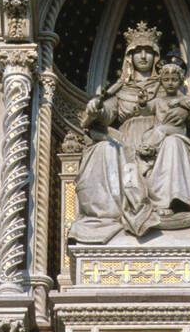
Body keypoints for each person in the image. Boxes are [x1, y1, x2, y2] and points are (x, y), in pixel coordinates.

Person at [69, 23, 163, 243]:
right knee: (103, 149)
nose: (143, 56)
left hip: (158, 139)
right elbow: (107, 113)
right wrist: (97, 109)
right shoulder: (121, 90)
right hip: (126, 141)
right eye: (137, 51)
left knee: (175, 144)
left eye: (148, 51)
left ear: (156, 56)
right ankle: (106, 215)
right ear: (129, 57)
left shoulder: (166, 86)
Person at [139, 57, 190, 232]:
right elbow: (145, 109)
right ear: (161, 81)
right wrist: (142, 102)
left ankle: (180, 198)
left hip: (178, 138)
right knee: (163, 137)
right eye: (166, 79)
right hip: (161, 142)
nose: (170, 83)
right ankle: (162, 200)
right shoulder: (158, 101)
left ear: (180, 81)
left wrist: (181, 102)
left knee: (172, 141)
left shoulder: (184, 101)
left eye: (173, 79)